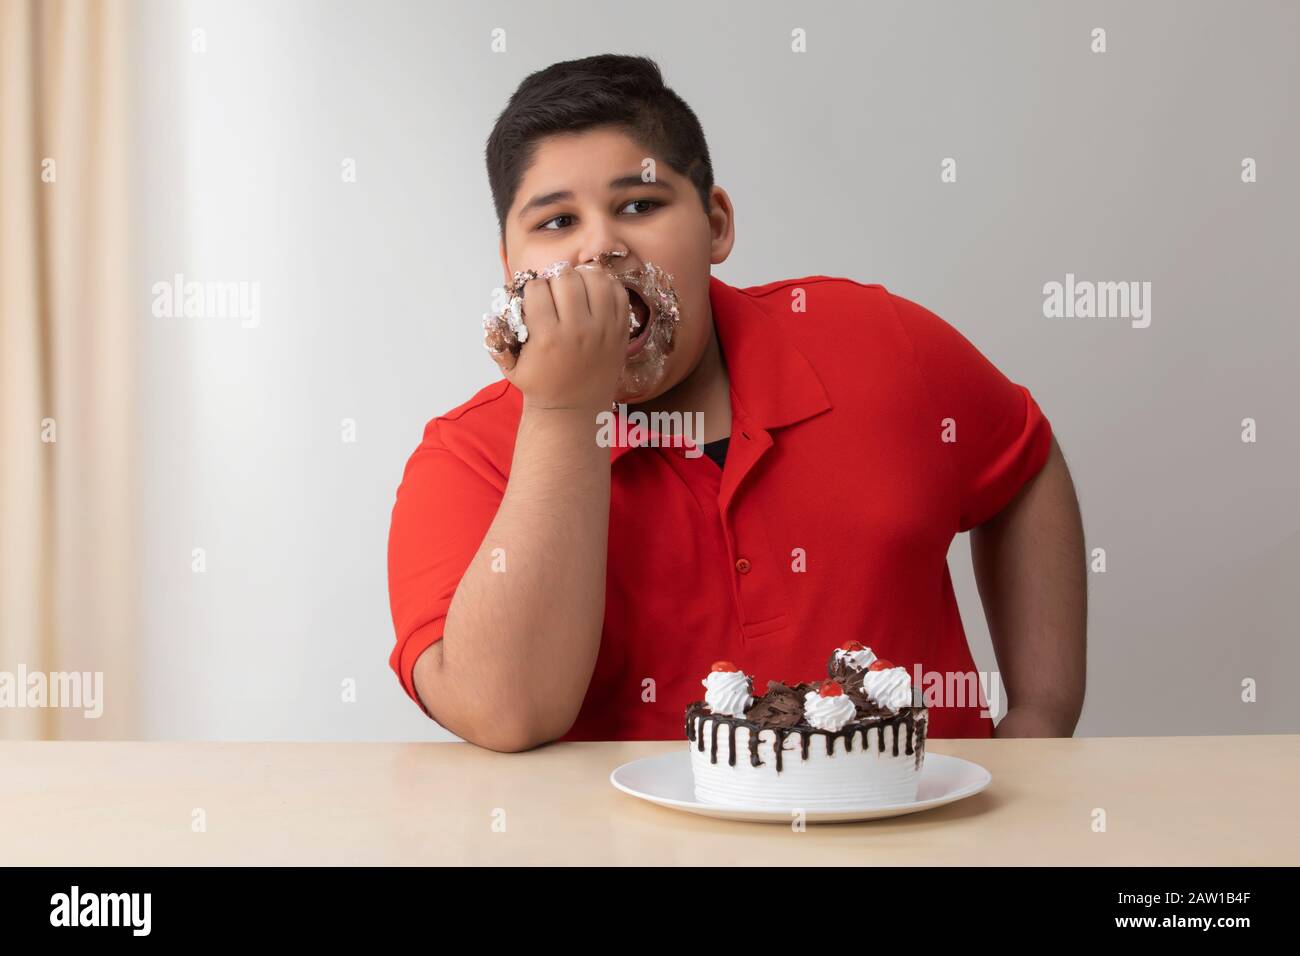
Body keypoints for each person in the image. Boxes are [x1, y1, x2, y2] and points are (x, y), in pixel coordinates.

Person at [387, 54, 1086, 752]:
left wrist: (1041, 715)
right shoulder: (463, 459)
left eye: (640, 205)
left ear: (716, 225)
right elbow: (506, 714)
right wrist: (565, 412)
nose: (600, 245)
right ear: (512, 269)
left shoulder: (877, 342)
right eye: (557, 222)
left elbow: (1022, 465)